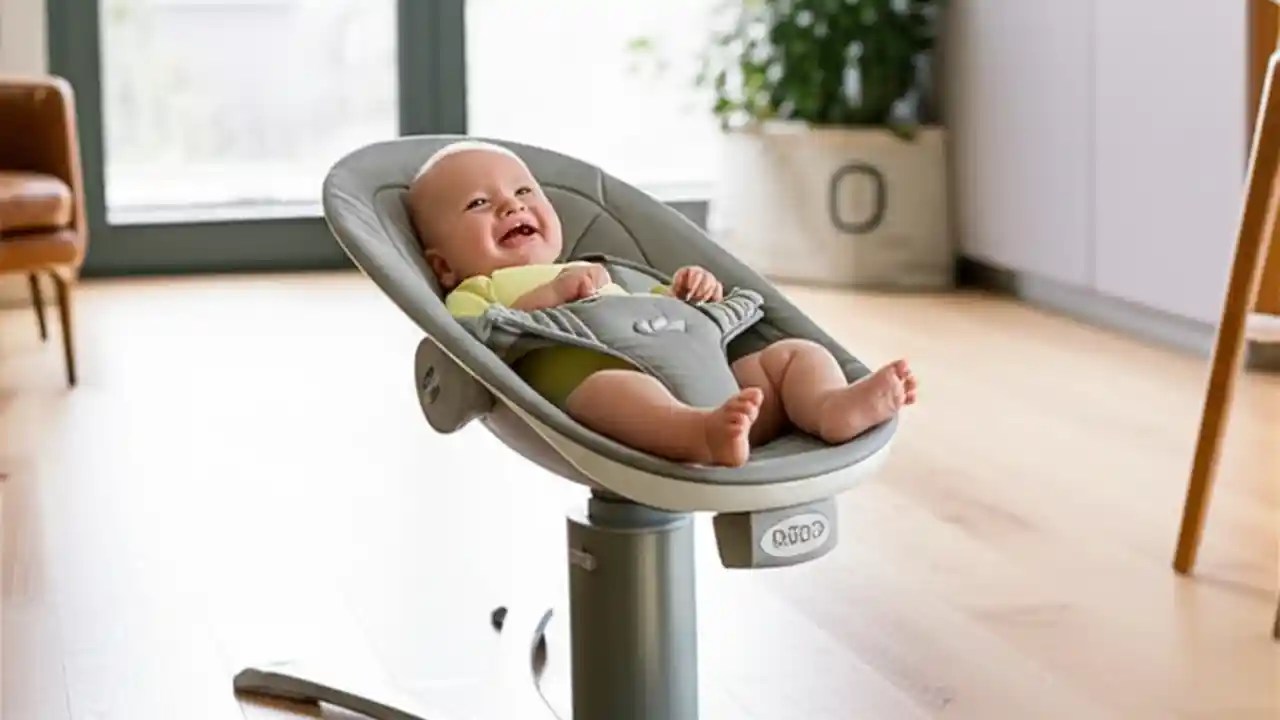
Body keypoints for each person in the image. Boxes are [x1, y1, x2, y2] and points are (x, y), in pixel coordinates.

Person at [406, 140, 916, 467]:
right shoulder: (479, 290)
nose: (511, 205)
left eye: (523, 190)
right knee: (613, 389)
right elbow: (474, 337)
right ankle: (696, 436)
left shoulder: (604, 270)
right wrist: (550, 296)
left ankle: (828, 406)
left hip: (730, 392)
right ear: (445, 266)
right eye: (478, 203)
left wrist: (689, 291)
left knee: (793, 356)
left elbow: (664, 316)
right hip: (621, 399)